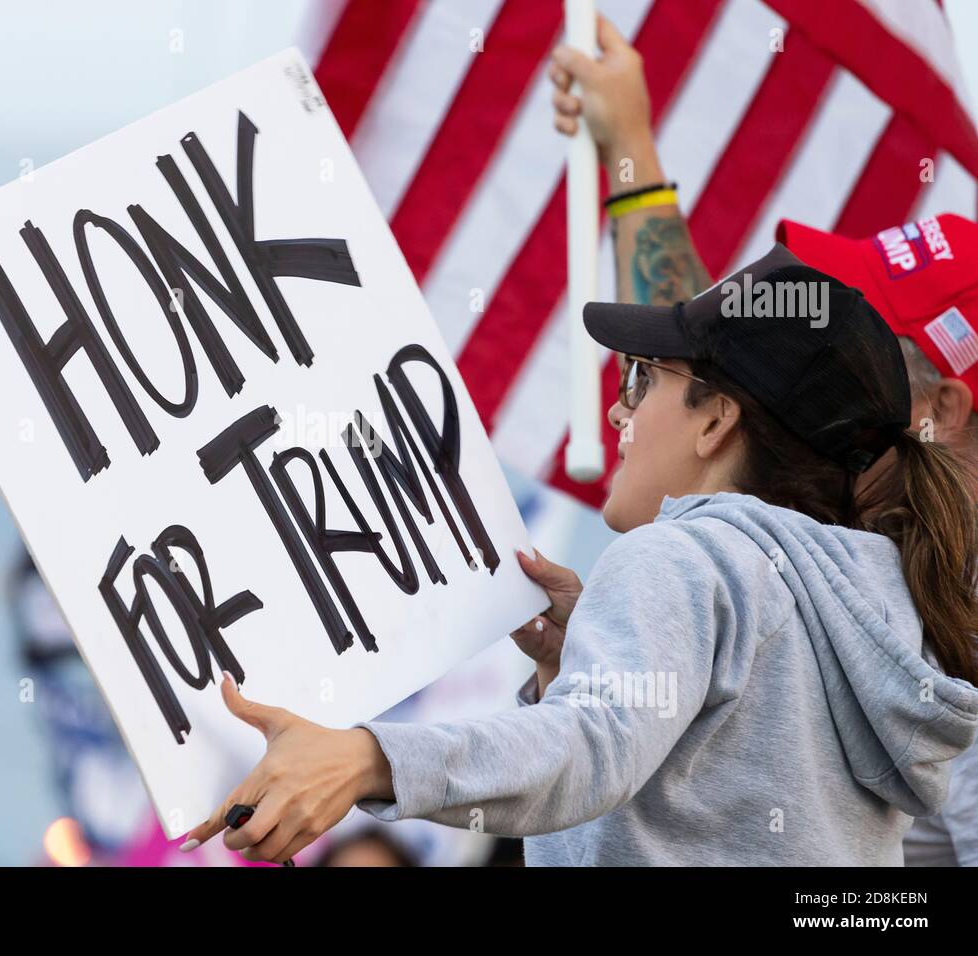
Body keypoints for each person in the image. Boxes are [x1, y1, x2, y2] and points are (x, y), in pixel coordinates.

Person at [179, 244, 978, 865]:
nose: (617, 404)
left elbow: (592, 748)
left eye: (643, 375)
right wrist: (581, 664)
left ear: (716, 422)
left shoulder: (686, 557)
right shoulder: (880, 599)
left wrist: (365, 756)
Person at [550, 13, 978, 866]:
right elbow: (702, 372)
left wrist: (382, 762)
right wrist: (629, 151)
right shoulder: (858, 565)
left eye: (853, 346)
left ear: (941, 411)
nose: (809, 368)